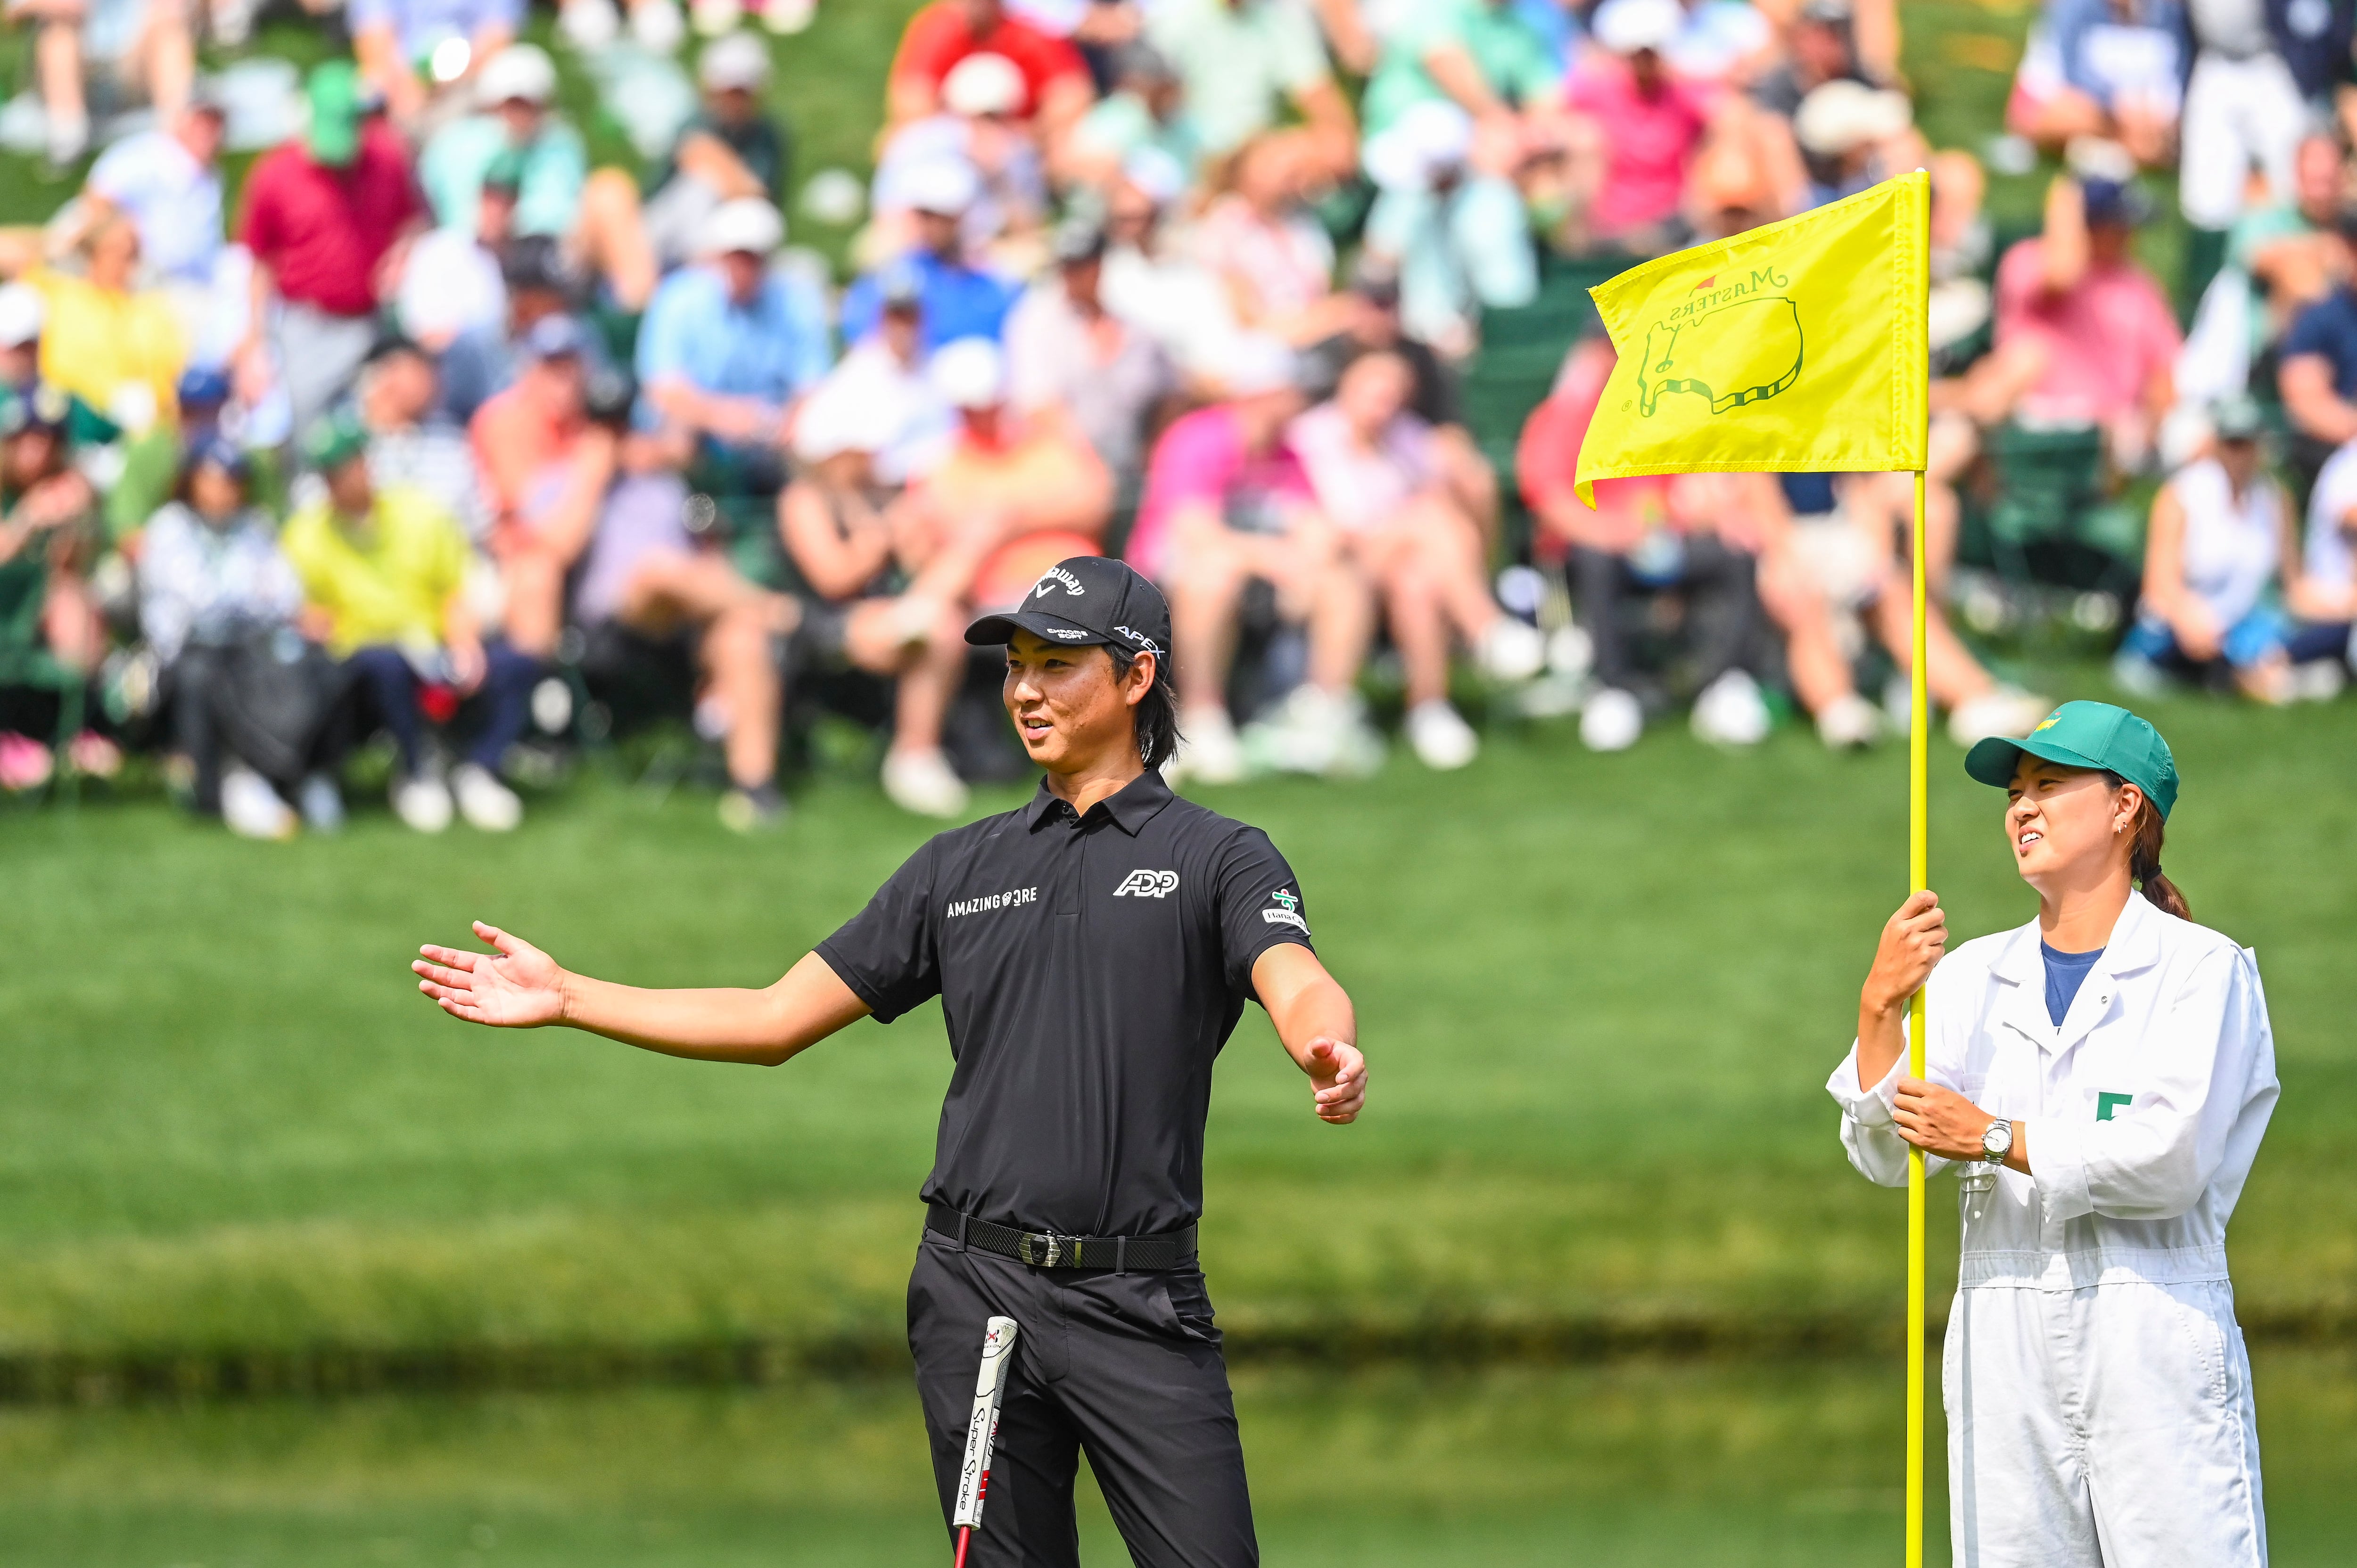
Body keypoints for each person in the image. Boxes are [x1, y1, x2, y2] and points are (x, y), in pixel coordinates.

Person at [411, 552, 1368, 1568]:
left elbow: (1294, 971)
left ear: (1136, 677)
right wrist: (571, 996)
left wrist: (1323, 1044)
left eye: (1057, 665)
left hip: (1141, 1299)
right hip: (978, 1295)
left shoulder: (1216, 856)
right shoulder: (959, 867)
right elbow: (775, 1017)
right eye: (1015, 667)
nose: (1026, 691)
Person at [1830, 699, 2275, 1568]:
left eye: (2051, 784)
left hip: (2152, 1331)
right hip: (2001, 1352)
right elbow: (1890, 1156)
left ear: (2125, 807)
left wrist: (1995, 1136)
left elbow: (2172, 1161)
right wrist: (1879, 1005)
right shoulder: (1966, 978)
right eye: (2015, 792)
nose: (2022, 807)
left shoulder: (2202, 971)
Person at [1127, 337, 1376, 783]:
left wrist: (1306, 563)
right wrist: (1282, 561)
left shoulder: (1287, 450)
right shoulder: (1197, 439)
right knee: (1214, 574)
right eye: (1291, 388)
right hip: (1171, 574)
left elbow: (1316, 526)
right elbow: (1196, 534)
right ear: (1262, 393)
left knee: (1342, 577)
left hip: (1259, 571)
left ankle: (1323, 712)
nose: (1301, 397)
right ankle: (1202, 719)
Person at [1287, 348, 1541, 768]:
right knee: (1428, 514)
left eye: (1394, 396)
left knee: (1418, 581)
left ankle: (1429, 706)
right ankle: (1485, 628)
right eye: (1375, 393)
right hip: (1336, 566)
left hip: (1396, 561)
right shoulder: (1310, 438)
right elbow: (1320, 523)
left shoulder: (1408, 437)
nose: (1384, 406)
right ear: (1348, 387)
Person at [282, 414, 536, 834]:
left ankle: (480, 769)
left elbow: (456, 589)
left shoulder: (420, 513)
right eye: (332, 473)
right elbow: (305, 614)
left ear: (367, 464)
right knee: (384, 663)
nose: (343, 480)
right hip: (361, 660)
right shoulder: (306, 533)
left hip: (431, 646)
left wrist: (464, 644)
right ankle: (418, 770)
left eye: (349, 467)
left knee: (519, 663)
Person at [564, 390, 799, 831]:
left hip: (686, 622)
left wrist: (665, 457)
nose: (619, 438)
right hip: (615, 624)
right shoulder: (568, 478)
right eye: (606, 429)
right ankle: (779, 611)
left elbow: (704, 553)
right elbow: (555, 547)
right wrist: (592, 478)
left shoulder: (666, 485)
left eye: (624, 427)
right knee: (659, 571)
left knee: (742, 637)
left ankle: (754, 786)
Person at [134, 439, 318, 838]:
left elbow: (286, 593)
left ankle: (284, 777)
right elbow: (200, 602)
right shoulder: (169, 527)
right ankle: (212, 787)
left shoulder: (255, 527)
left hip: (247, 647)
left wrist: (251, 602)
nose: (224, 491)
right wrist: (251, 600)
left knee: (298, 663)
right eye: (213, 481)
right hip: (182, 654)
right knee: (203, 675)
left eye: (233, 481)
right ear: (191, 483)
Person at [238, 61, 427, 439]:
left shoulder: (387, 161)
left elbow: (413, 223)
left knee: (393, 415)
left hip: (375, 317)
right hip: (310, 323)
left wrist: (400, 257)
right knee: (307, 424)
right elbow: (259, 264)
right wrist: (254, 341)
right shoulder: (276, 175)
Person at [419, 44, 657, 312]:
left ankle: (639, 314)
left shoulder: (560, 142)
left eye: (529, 103)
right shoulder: (458, 146)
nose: (520, 113)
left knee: (612, 191)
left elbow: (566, 210)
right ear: (492, 105)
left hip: (552, 251)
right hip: (493, 255)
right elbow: (461, 222)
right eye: (513, 103)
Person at [2115, 399, 2304, 702]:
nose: (2240, 454)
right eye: (2232, 443)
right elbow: (2159, 585)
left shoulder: (2274, 500)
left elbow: (2293, 583)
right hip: (2179, 622)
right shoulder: (2182, 494)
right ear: (2217, 444)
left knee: (2278, 641)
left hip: (2241, 621)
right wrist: (2189, 616)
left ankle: (2241, 673)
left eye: (2247, 444)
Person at [636, 197, 832, 459]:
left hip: (772, 435)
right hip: (696, 430)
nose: (743, 268)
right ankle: (691, 500)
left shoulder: (798, 303)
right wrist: (724, 417)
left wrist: (783, 424)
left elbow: (812, 388)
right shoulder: (678, 298)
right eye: (736, 257)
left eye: (753, 258)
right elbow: (664, 389)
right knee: (674, 439)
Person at [1004, 216, 1174, 495]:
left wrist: (1152, 450)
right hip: (1060, 473)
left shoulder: (1133, 320)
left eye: (1082, 265)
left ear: (1100, 265)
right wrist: (1091, 462)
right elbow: (1037, 405)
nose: (1073, 275)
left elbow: (1168, 390)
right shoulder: (1036, 320)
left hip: (1127, 470)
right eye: (1066, 265)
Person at [1563, 0, 1718, 252]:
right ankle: (1581, 247)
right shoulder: (1596, 88)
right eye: (1637, 53)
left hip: (1674, 220)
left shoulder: (1683, 94)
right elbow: (1553, 114)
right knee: (1584, 140)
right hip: (1611, 224)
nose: (1645, 62)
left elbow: (1726, 113)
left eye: (1652, 52)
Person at [1139, 0, 1355, 174]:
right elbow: (1149, 100)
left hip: (1252, 164)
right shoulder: (1174, 19)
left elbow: (1333, 123)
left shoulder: (1278, 23)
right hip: (1186, 161)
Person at [642, 32, 791, 270]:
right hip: (672, 233)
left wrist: (715, 159)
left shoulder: (767, 136)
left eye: (741, 92)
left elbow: (758, 196)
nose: (734, 101)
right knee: (700, 187)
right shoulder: (693, 125)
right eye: (728, 91)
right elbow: (655, 193)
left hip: (732, 234)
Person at [840, 158, 1024, 352]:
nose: (932, 225)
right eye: (925, 214)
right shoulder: (892, 279)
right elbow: (862, 341)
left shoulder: (996, 284)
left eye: (942, 216)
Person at [7, 0, 194, 167]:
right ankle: (68, 137)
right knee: (59, 36)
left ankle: (177, 132)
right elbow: (13, 11)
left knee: (170, 34)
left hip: (134, 61)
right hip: (78, 64)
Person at [886, 0, 1095, 141]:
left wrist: (1026, 134)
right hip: (951, 139)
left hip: (1026, 142)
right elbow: (911, 103)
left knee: (1076, 144)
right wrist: (967, 134)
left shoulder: (1032, 30)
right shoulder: (936, 29)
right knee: (899, 141)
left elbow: (1073, 94)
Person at [350, 0, 521, 128]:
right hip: (400, 88)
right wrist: (407, 86)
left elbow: (496, 41)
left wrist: (444, 82)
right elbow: (375, 43)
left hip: (467, 87)